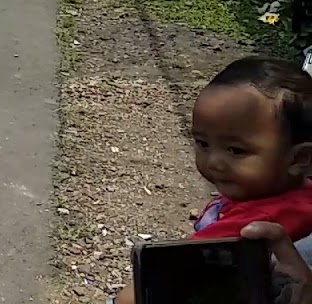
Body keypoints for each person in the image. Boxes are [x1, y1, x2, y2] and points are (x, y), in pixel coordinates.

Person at [113, 56, 312, 304]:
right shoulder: (285, 194)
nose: (214, 162)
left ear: (299, 158)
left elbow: (170, 274)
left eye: (236, 150)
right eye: (203, 144)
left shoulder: (259, 223)